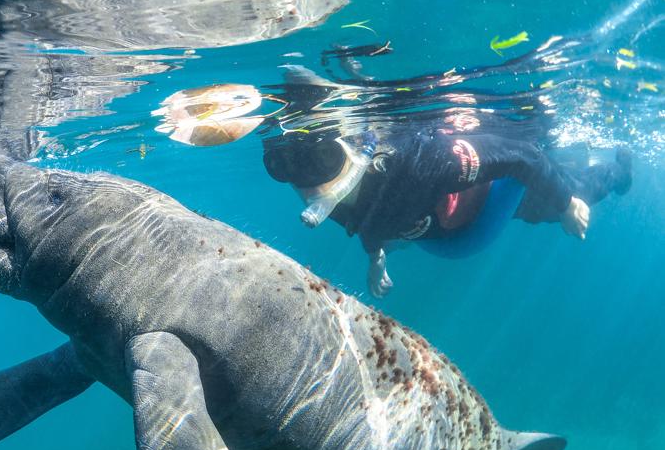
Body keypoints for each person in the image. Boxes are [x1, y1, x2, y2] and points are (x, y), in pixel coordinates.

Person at [262, 111, 633, 297]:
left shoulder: (426, 161)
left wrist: (567, 203)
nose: (308, 186)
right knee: (545, 197)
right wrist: (376, 258)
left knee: (569, 191)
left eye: (319, 161)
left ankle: (617, 173)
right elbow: (367, 223)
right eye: (284, 169)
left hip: (482, 211)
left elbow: (523, 157)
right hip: (441, 234)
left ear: (349, 150)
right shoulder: (321, 196)